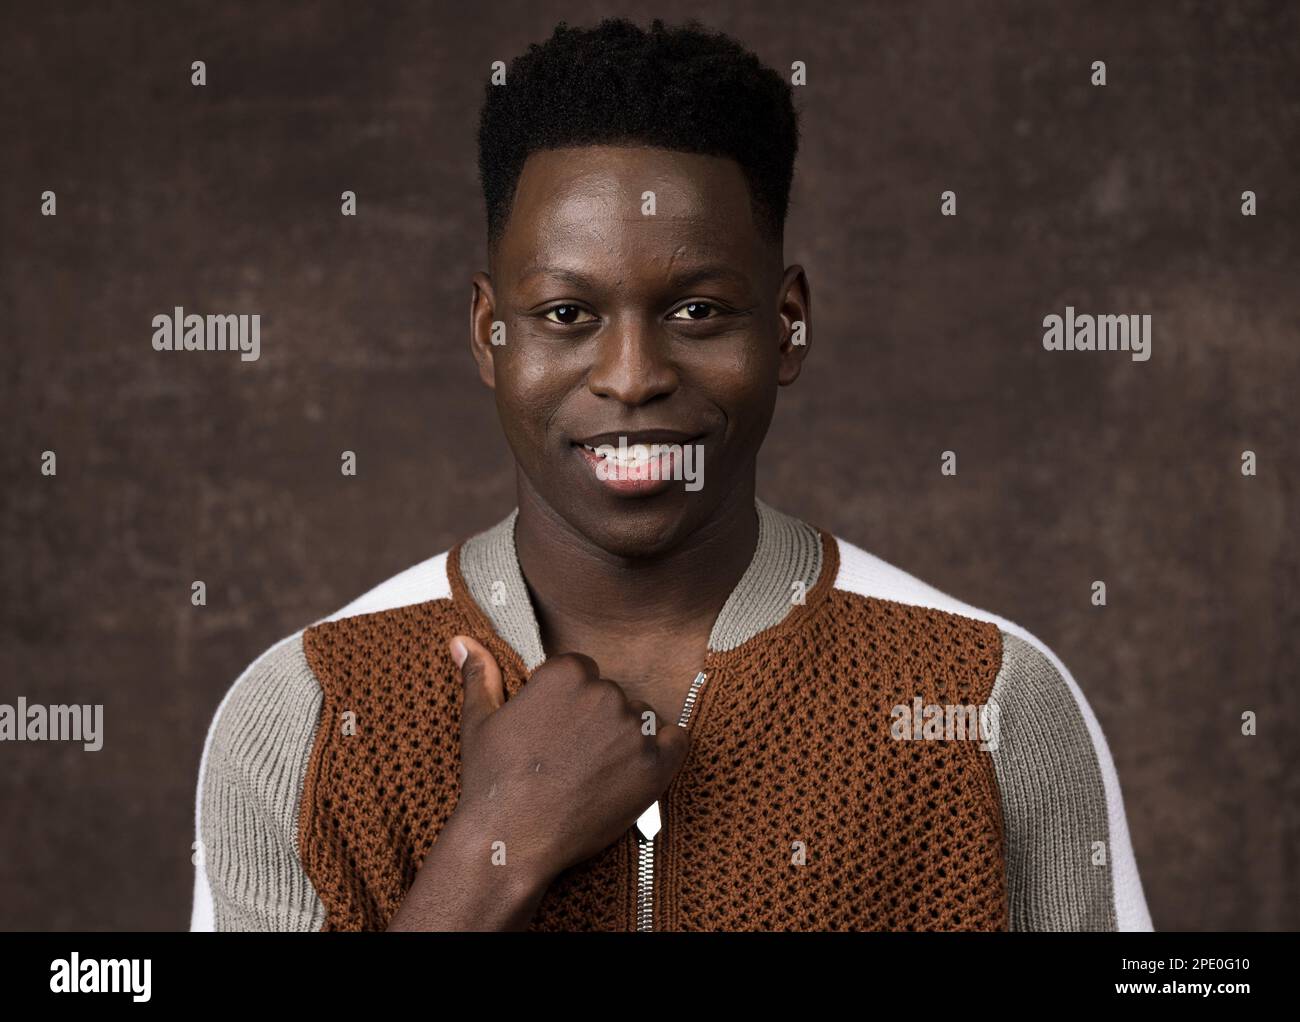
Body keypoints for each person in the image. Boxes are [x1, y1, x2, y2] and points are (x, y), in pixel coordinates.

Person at [189, 16, 1152, 932]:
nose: (633, 376)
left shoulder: (986, 699)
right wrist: (492, 850)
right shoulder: (308, 711)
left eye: (697, 311)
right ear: (490, 334)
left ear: (788, 325)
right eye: (568, 315)